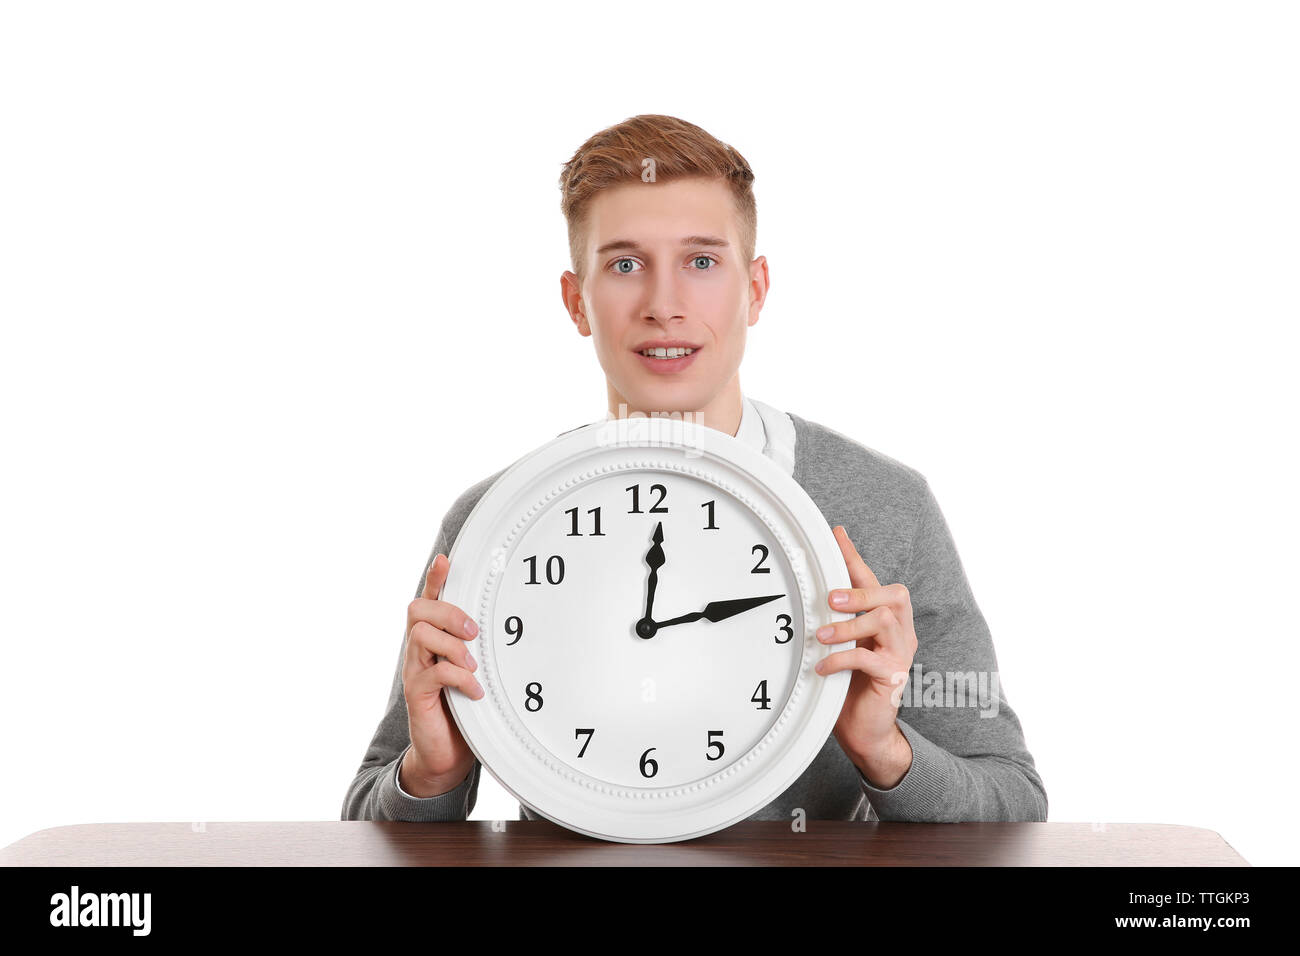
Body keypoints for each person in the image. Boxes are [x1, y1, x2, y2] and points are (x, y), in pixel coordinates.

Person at [340, 114, 1047, 825]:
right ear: (576, 302)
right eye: (624, 265)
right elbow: (365, 818)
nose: (664, 306)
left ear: (757, 289)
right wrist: (431, 772)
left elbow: (1014, 806)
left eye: (702, 262)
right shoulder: (494, 520)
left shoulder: (887, 507)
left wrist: (884, 749)